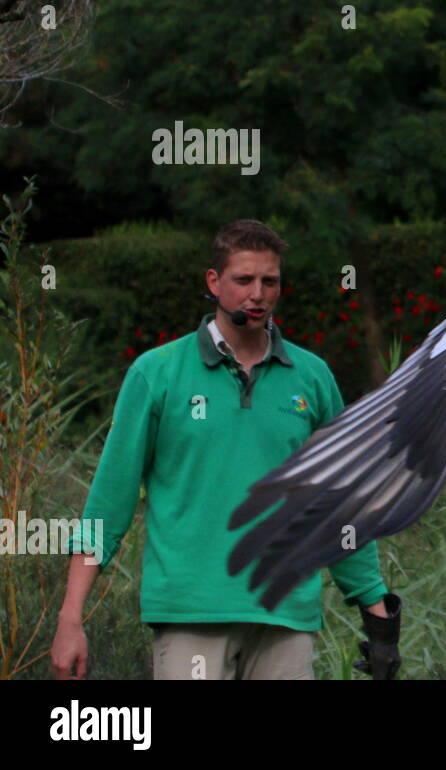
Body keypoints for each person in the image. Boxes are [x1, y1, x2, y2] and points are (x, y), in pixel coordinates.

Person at [51, 219, 401, 679]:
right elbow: (110, 500)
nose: (257, 294)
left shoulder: (312, 378)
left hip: (285, 616)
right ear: (214, 282)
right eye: (244, 280)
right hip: (190, 615)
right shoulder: (157, 373)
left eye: (269, 281)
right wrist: (70, 617)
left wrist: (376, 612)